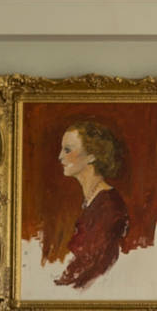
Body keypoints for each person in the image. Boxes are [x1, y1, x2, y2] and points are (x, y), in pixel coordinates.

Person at [52, 117, 129, 290]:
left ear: (92, 156)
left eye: (67, 150)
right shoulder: (92, 199)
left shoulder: (109, 207)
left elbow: (93, 269)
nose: (60, 157)